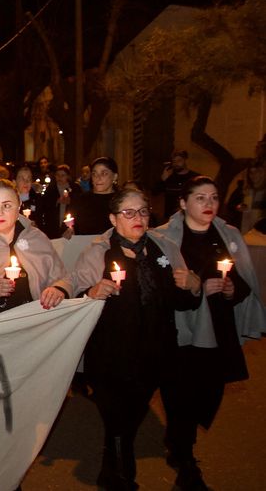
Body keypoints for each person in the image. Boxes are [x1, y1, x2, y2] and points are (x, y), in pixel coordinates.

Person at [68, 187, 203, 490]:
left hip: (157, 354)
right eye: (128, 213)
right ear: (114, 219)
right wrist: (90, 294)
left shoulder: (162, 250)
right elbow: (75, 297)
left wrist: (194, 287)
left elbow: (181, 303)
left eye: (142, 211)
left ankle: (112, 472)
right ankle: (123, 480)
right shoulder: (98, 253)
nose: (138, 218)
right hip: (112, 356)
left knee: (129, 421)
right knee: (119, 421)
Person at [154, 176, 266, 490]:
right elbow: (160, 286)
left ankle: (179, 439)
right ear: (183, 203)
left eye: (214, 197)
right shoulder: (166, 238)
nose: (209, 204)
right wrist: (197, 286)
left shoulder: (228, 235)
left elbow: (245, 282)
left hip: (218, 328)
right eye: (200, 198)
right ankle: (185, 459)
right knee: (180, 392)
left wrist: (231, 290)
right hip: (182, 327)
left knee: (209, 390)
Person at [0, 179, 70, 322]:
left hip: (35, 322)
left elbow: (62, 277)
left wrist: (58, 289)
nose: (0, 212)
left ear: (19, 206)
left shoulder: (37, 238)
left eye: (7, 205)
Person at [68, 157, 119, 236]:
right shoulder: (80, 200)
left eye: (104, 173)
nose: (98, 178)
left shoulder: (122, 201)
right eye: (94, 174)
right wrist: (69, 230)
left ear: (114, 177)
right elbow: (68, 223)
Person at [37, 164, 82, 240]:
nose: (60, 178)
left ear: (67, 176)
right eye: (57, 175)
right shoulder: (51, 189)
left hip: (69, 223)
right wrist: (56, 202)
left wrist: (71, 202)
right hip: (54, 223)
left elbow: (79, 204)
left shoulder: (75, 188)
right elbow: (44, 205)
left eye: (62, 175)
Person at [155, 150, 199, 223]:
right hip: (170, 218)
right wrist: (162, 180)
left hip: (190, 216)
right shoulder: (169, 177)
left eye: (179, 161)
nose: (176, 164)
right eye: (174, 161)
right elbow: (155, 192)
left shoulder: (194, 177)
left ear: (185, 160)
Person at [225, 159, 266, 233]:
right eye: (251, 173)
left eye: (258, 172)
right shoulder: (241, 190)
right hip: (242, 231)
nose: (254, 176)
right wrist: (238, 207)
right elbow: (230, 206)